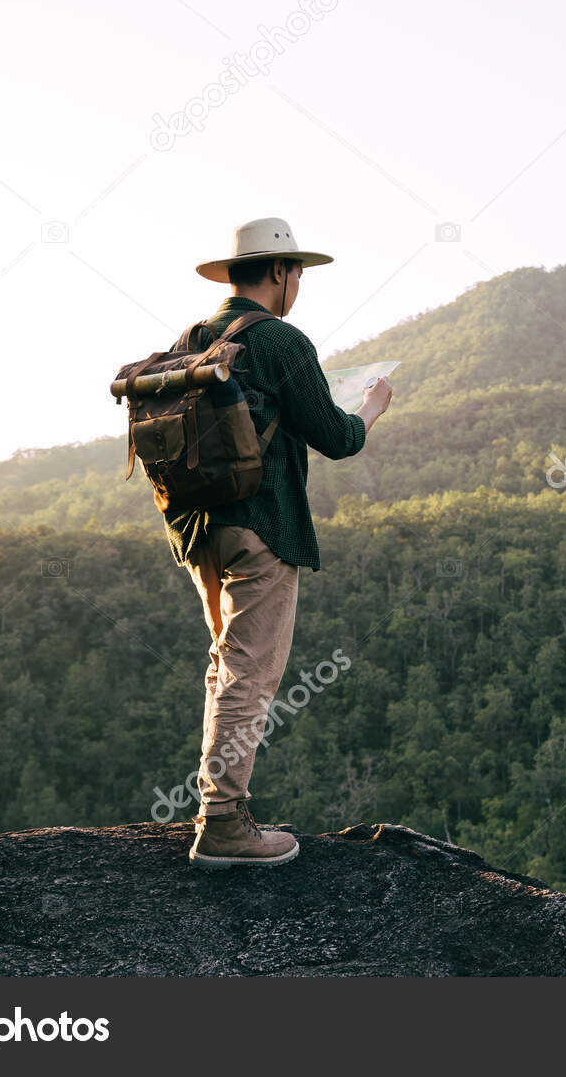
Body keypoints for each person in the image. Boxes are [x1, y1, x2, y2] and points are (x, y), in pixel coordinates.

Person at [168, 217, 392, 869]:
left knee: (224, 659)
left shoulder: (191, 337)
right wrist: (372, 405)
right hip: (261, 524)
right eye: (295, 271)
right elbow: (338, 437)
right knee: (251, 669)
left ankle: (214, 803)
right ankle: (224, 821)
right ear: (277, 273)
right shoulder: (281, 341)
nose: (298, 283)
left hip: (197, 528)